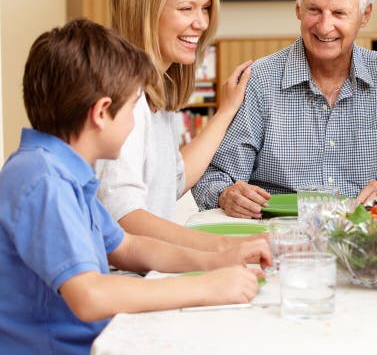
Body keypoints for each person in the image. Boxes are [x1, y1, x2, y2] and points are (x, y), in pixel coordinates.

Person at [0, 20, 271, 354]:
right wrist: (207, 287)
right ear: (101, 112)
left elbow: (127, 249)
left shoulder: (62, 172)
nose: (134, 121)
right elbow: (90, 295)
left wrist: (219, 257)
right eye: (132, 108)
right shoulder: (43, 181)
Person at [193, 0, 377, 218]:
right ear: (298, 8)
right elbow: (212, 179)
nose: (324, 25)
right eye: (314, 10)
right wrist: (227, 194)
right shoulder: (259, 81)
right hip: (275, 236)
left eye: (340, 13)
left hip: (361, 236)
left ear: (365, 15)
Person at [96, 0, 257, 251]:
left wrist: (225, 111)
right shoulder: (123, 97)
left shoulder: (154, 96)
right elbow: (124, 215)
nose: (202, 23)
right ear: (144, 12)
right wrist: (221, 247)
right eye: (186, 9)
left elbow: (172, 180)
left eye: (205, 8)